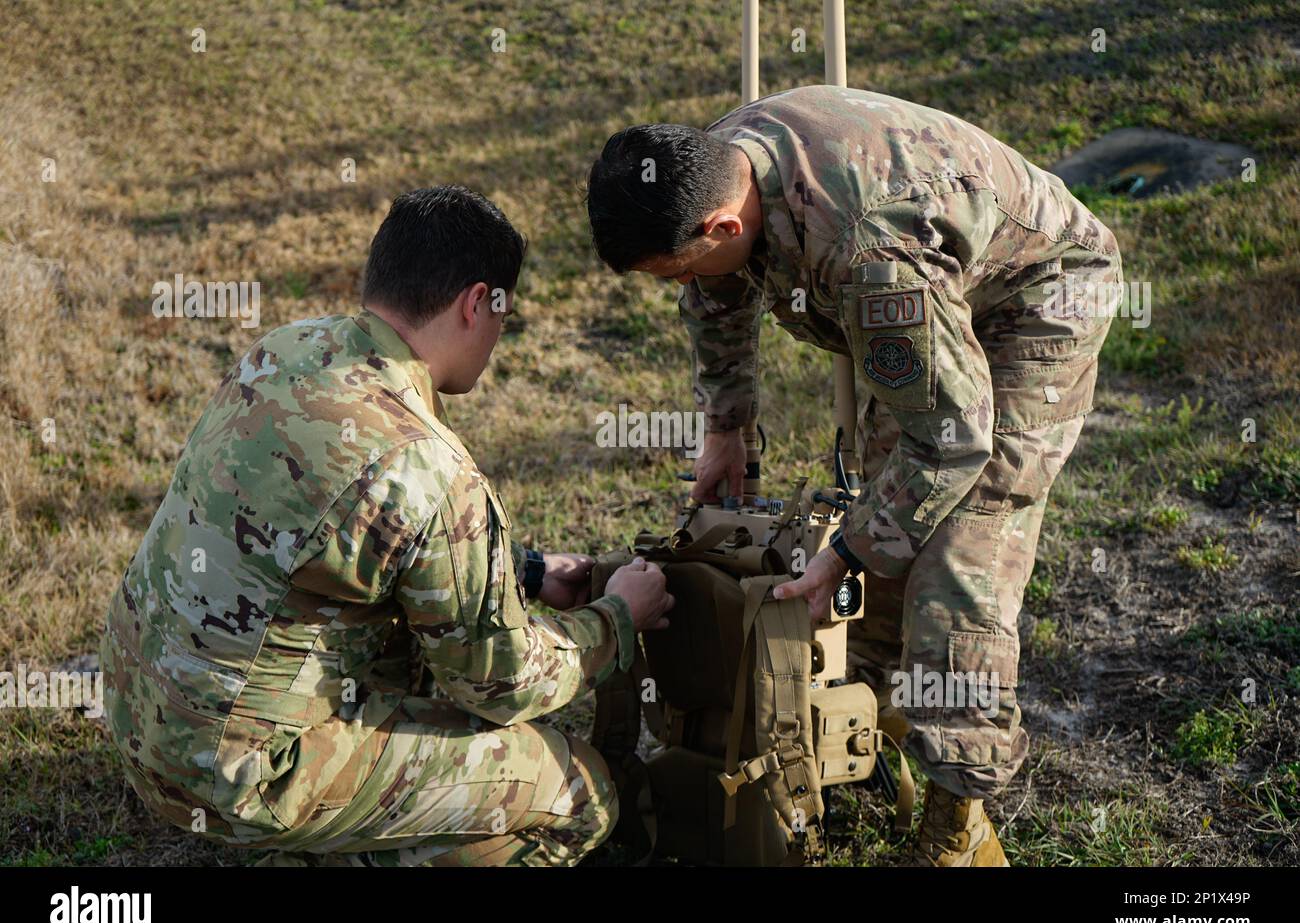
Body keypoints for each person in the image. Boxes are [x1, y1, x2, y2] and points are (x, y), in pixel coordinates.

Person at [585, 85, 1122, 866]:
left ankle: (956, 823)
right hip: (937, 281)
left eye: (673, 270)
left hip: (1041, 295)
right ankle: (870, 725)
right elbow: (716, 289)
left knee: (959, 551)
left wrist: (850, 549)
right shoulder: (714, 166)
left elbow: (954, 441)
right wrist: (727, 424)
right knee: (888, 507)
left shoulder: (871, 255)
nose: (679, 286)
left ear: (723, 224)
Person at [101, 185, 673, 866]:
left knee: (410, 656)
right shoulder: (427, 465)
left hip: (137, 713)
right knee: (582, 795)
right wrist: (617, 619)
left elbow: (351, 533)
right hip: (241, 777)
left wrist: (524, 572)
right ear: (475, 304)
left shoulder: (282, 350)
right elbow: (500, 683)